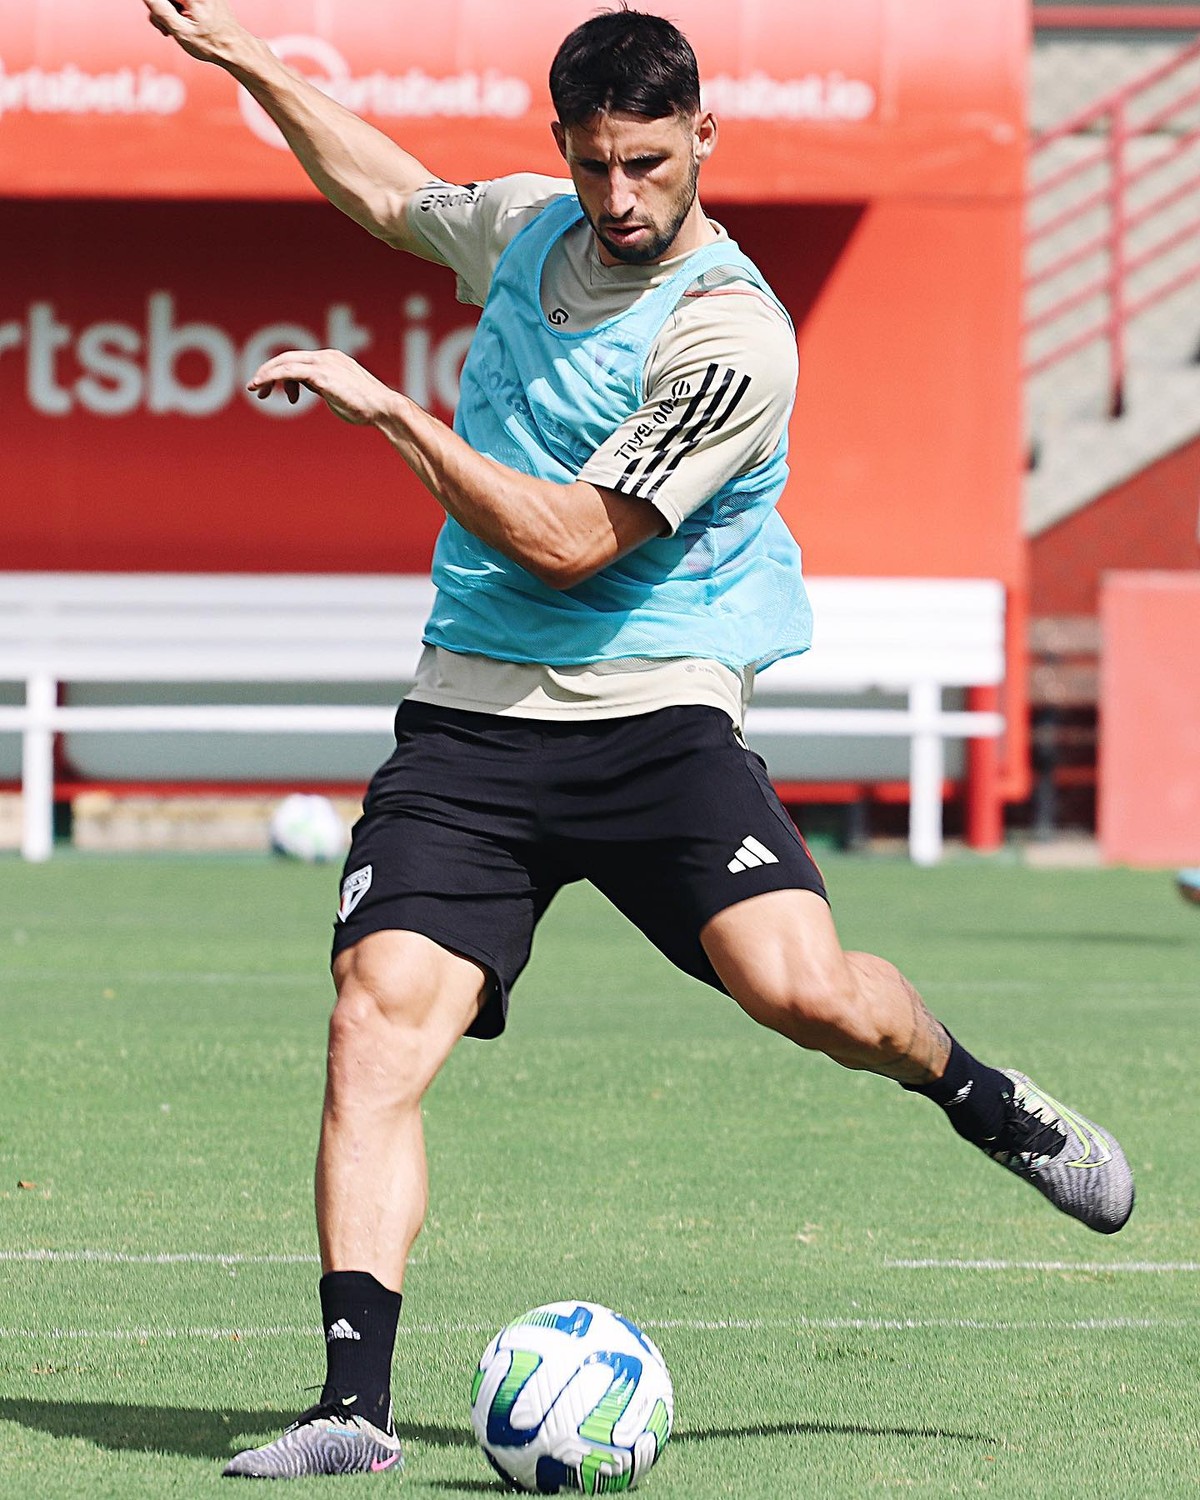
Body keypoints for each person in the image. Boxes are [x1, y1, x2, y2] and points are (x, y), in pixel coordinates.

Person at [143, 0, 1135, 1480]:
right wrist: (256, 68)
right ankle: (352, 1409)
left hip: (656, 715)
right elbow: (393, 194)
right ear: (563, 145)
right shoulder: (531, 228)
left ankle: (979, 1094)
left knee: (805, 992)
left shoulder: (730, 335)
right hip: (473, 719)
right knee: (375, 1016)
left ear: (704, 137)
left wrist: (394, 416)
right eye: (595, 163)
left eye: (650, 164)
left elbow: (567, 545)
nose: (619, 197)